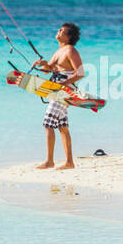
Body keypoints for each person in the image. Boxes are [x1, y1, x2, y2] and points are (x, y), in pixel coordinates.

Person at [33, 22, 84, 170]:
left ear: (68, 37)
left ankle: (49, 161)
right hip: (56, 89)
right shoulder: (59, 51)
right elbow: (50, 69)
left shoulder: (71, 51)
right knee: (62, 126)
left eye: (62, 30)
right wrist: (44, 65)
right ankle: (69, 162)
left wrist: (65, 84)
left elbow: (80, 73)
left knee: (48, 124)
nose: (58, 31)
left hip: (64, 90)